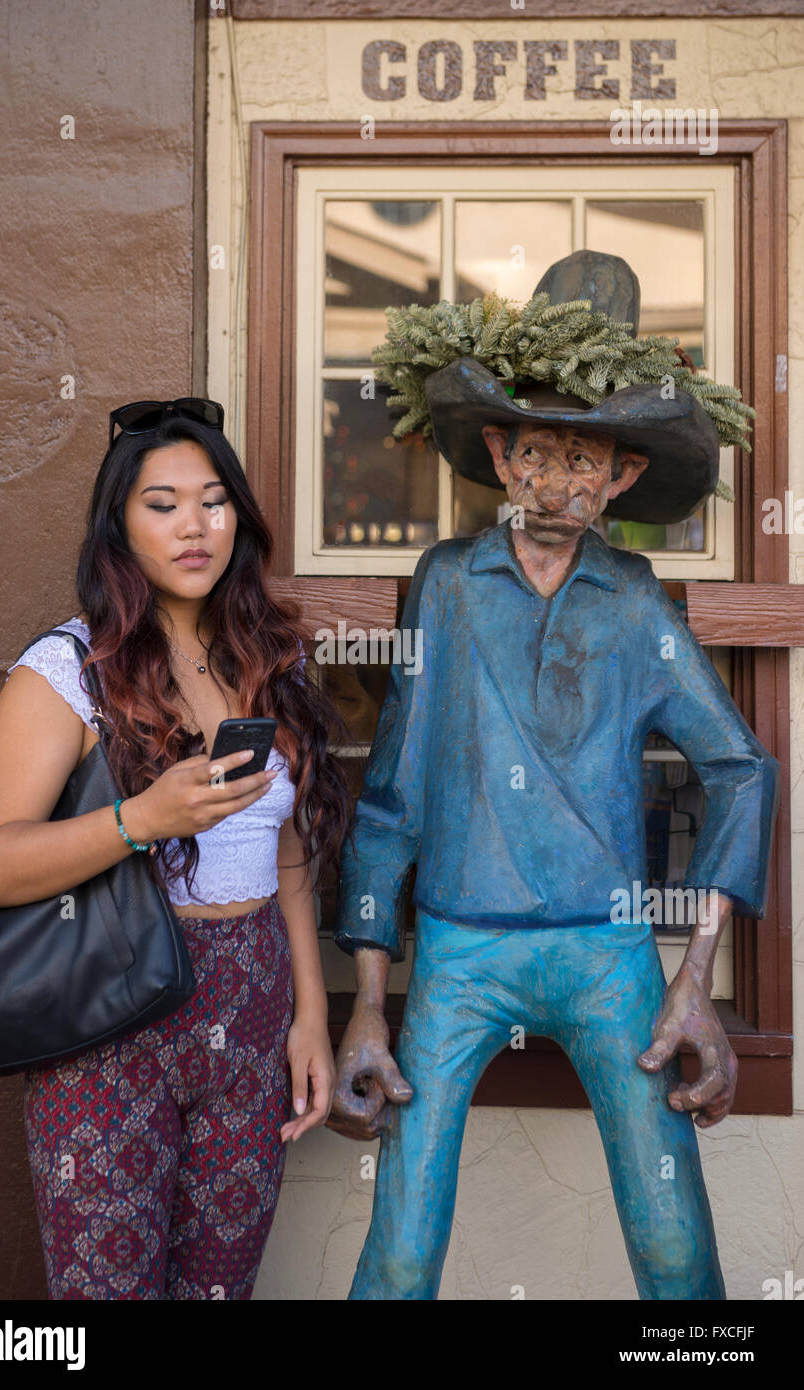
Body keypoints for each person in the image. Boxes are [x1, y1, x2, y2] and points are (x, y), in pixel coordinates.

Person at [328, 251, 779, 1300]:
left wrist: (697, 973)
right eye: (539, 451)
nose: (564, 482)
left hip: (609, 952)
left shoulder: (632, 600)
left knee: (674, 1242)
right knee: (398, 1248)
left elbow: (739, 767)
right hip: (455, 949)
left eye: (593, 462)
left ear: (624, 477)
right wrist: (364, 999)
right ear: (499, 450)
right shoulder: (444, 586)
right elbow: (391, 795)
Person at [0, 397, 353, 1300]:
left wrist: (308, 1015)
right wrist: (144, 819)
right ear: (119, 525)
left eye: (214, 502)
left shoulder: (271, 659)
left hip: (252, 1002)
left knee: (221, 1288)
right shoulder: (65, 669)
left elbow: (288, 855)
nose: (194, 527)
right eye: (163, 503)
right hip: (113, 1002)